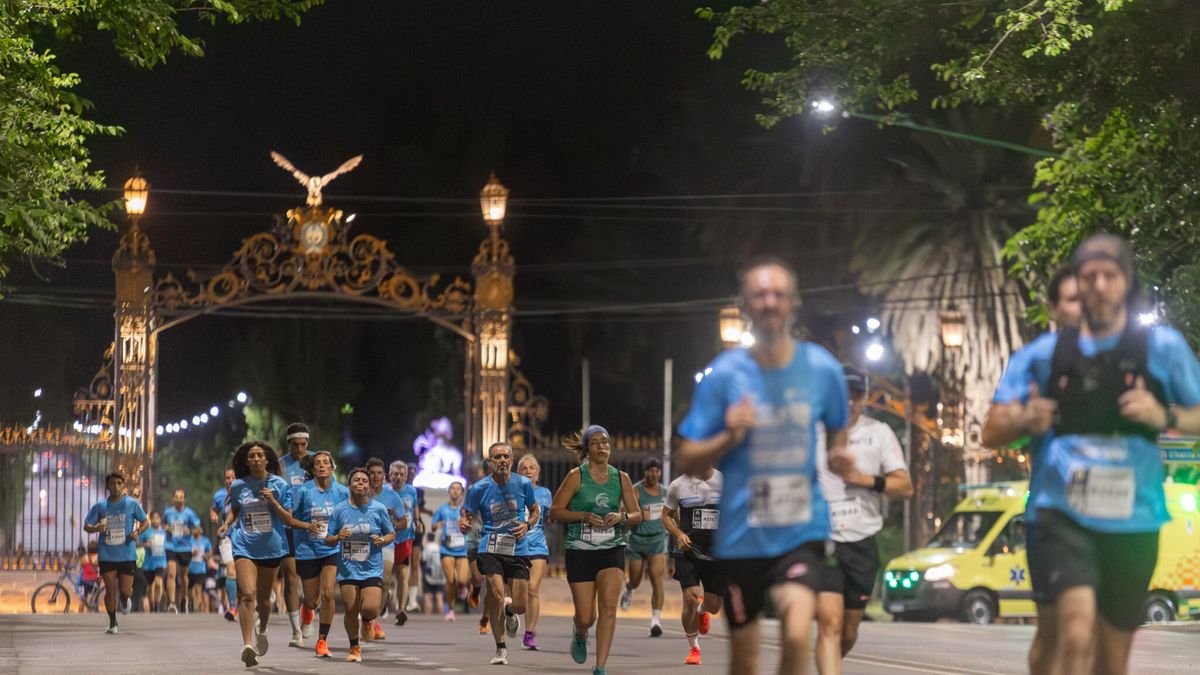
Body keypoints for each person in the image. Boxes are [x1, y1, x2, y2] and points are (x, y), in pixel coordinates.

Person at [981, 234, 1200, 675]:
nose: (1099, 285)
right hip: (1062, 514)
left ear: (1127, 282)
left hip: (1134, 518)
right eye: (1089, 277)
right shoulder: (1043, 356)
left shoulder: (1163, 348)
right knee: (1074, 630)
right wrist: (1025, 419)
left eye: (1110, 276)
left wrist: (1164, 413)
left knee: (1111, 658)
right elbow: (991, 431)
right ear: (1077, 285)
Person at [677, 258, 853, 675]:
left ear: (793, 303)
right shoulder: (725, 374)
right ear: (747, 306)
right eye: (760, 294)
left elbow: (837, 436)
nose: (769, 302)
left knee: (796, 635)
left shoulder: (822, 369)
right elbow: (685, 457)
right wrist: (729, 436)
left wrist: (838, 458)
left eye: (778, 294)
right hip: (742, 538)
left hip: (800, 529)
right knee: (745, 661)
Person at [814, 366, 913, 663]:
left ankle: (830, 664)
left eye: (857, 394)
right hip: (823, 540)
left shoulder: (878, 433)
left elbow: (905, 486)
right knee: (829, 623)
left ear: (866, 397)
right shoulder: (813, 433)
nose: (849, 401)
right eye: (844, 394)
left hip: (862, 541)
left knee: (848, 631)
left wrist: (866, 480)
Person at [550, 426, 644, 675]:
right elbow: (555, 511)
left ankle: (600, 666)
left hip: (611, 548)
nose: (602, 447)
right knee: (586, 617)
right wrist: (582, 515)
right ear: (587, 449)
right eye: (596, 443)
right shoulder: (575, 476)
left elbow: (637, 515)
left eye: (605, 442)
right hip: (580, 550)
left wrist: (621, 516)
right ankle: (580, 632)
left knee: (609, 607)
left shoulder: (621, 478)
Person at [461, 442, 540, 666]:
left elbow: (535, 511)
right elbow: (466, 511)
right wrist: (464, 522)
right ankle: (501, 648)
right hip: (491, 547)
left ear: (512, 460)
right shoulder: (479, 488)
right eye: (497, 457)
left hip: (518, 548)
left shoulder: (524, 484)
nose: (502, 460)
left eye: (506, 456)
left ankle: (510, 609)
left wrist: (527, 525)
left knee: (521, 605)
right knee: (496, 593)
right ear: (490, 462)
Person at [217, 440, 291, 668]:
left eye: (260, 455)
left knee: (263, 600)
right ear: (247, 462)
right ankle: (247, 645)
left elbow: (288, 516)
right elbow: (236, 509)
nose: (256, 459)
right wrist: (227, 523)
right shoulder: (239, 486)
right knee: (246, 594)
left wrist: (273, 501)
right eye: (252, 456)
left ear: (267, 459)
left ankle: (263, 628)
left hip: (271, 547)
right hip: (244, 545)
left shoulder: (279, 484)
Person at [280, 450, 348, 658]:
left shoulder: (342, 492)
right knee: (313, 600)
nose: (321, 465)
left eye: (326, 462)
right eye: (317, 463)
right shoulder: (302, 491)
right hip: (307, 550)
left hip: (332, 549)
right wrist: (308, 525)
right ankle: (307, 610)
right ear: (313, 468)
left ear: (332, 467)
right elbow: (288, 519)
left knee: (328, 593)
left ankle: (322, 640)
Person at [324, 467, 395, 663]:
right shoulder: (339, 510)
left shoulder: (378, 509)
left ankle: (367, 620)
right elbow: (327, 539)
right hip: (348, 568)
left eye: (364, 480)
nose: (361, 483)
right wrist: (337, 537)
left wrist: (382, 540)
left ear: (369, 486)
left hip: (371, 567)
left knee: (371, 608)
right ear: (350, 485)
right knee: (350, 609)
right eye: (356, 480)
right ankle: (354, 646)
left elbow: (390, 534)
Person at [662, 461, 726, 666]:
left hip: (716, 553)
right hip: (687, 549)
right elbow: (666, 515)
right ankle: (694, 647)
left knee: (714, 607)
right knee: (689, 598)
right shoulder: (678, 485)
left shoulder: (724, 481)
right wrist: (678, 533)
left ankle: (703, 609)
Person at [83, 472, 148, 634]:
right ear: (107, 486)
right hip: (107, 555)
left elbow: (145, 521)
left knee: (124, 593)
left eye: (119, 483)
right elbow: (86, 526)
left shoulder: (131, 504)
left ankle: (125, 598)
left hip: (126, 555)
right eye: (112, 483)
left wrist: (138, 532)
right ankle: (112, 622)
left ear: (123, 485)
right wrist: (97, 528)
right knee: (110, 590)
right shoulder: (100, 506)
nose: (116, 486)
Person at [620, 457, 669, 637]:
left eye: (657, 471)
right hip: (638, 540)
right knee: (636, 579)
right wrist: (634, 515)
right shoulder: (637, 490)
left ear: (660, 473)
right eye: (651, 470)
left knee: (657, 579)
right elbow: (624, 511)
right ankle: (628, 589)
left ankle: (656, 620)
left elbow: (673, 513)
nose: (654, 474)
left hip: (657, 541)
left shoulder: (665, 492)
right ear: (645, 472)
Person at [279, 423, 313, 646]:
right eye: (295, 444)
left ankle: (308, 610)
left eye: (303, 444)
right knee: (291, 578)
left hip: (312, 529)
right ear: (289, 443)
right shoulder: (280, 466)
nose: (300, 448)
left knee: (313, 590)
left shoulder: (318, 462)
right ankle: (295, 632)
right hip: (288, 528)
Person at [516, 453, 554, 650]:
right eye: (524, 468)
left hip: (538, 545)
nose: (528, 471)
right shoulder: (511, 491)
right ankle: (512, 612)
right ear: (518, 473)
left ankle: (529, 633)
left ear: (537, 473)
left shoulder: (545, 494)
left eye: (532, 468)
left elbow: (549, 517)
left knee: (533, 588)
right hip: (516, 547)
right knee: (518, 593)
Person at [365, 457, 405, 641]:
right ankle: (372, 621)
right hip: (364, 544)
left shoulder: (392, 496)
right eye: (372, 473)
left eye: (379, 473)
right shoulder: (361, 493)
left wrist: (393, 520)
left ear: (384, 475)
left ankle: (374, 618)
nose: (375, 476)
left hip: (386, 542)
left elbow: (404, 522)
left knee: (384, 579)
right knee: (367, 582)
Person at [431, 479, 470, 621]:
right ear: (448, 491)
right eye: (452, 488)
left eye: (458, 488)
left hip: (463, 549)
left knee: (460, 580)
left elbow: (472, 525)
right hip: (446, 549)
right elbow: (433, 526)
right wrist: (438, 525)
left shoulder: (465, 510)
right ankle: (451, 609)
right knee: (450, 580)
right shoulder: (442, 509)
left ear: (461, 492)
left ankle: (462, 587)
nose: (455, 490)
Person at [388, 460, 419, 625]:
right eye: (395, 474)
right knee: (386, 575)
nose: (398, 477)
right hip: (387, 538)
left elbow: (414, 509)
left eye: (402, 475)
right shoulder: (385, 491)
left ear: (407, 476)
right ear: (390, 475)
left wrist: (419, 521)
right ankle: (385, 598)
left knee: (402, 575)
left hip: (405, 538)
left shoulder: (411, 491)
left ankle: (401, 609)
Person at [162, 488, 201, 613]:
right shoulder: (168, 512)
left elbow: (198, 529)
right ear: (173, 498)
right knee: (172, 573)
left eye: (181, 496)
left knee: (183, 575)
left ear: (184, 499)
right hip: (171, 546)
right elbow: (163, 524)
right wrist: (166, 528)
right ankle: (172, 603)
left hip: (185, 547)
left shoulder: (189, 513)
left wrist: (189, 531)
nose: (178, 498)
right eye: (176, 496)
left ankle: (184, 598)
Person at [212, 468, 238, 620]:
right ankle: (232, 607)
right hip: (226, 536)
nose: (230, 480)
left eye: (233, 477)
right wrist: (214, 515)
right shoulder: (219, 495)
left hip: (242, 537)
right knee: (230, 568)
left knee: (242, 573)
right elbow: (214, 510)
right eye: (227, 478)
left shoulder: (243, 492)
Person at [138, 511, 167, 611]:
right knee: (150, 587)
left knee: (158, 583)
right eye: (153, 518)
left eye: (157, 518)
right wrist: (146, 544)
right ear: (150, 520)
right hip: (148, 564)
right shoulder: (146, 532)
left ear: (160, 519)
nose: (155, 520)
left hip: (161, 562)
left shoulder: (164, 532)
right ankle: (152, 606)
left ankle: (157, 605)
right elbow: (137, 543)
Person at [187, 525, 214, 613]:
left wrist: (207, 555)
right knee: (190, 590)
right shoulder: (188, 539)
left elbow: (210, 551)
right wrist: (190, 552)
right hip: (190, 569)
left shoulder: (205, 540)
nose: (194, 531)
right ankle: (191, 603)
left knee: (198, 588)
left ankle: (196, 607)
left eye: (196, 529)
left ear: (200, 530)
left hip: (201, 569)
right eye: (193, 529)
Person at [421, 532, 447, 615]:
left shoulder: (427, 547)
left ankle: (427, 617)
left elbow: (423, 559)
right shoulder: (439, 547)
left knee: (428, 596)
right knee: (439, 596)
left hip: (429, 574)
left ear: (427, 539)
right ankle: (439, 618)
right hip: (440, 575)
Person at [78, 542, 100, 613]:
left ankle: (79, 614)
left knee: (82, 599)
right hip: (94, 582)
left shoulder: (84, 557)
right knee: (93, 598)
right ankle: (89, 613)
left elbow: (79, 567)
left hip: (83, 581)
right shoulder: (99, 557)